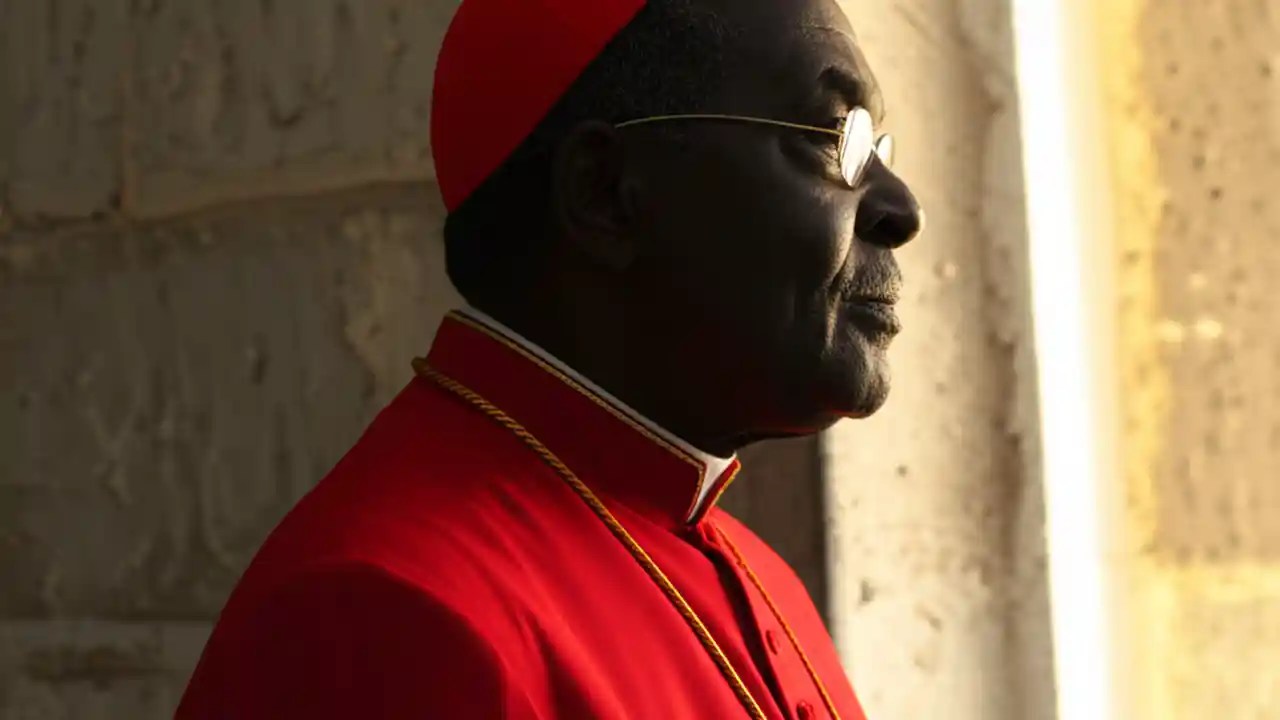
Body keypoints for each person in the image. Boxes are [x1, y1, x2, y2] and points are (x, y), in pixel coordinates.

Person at [176, 0, 923, 716]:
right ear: (605, 194)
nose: (900, 208)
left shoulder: (761, 579)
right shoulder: (393, 618)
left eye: (874, 145)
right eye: (835, 136)